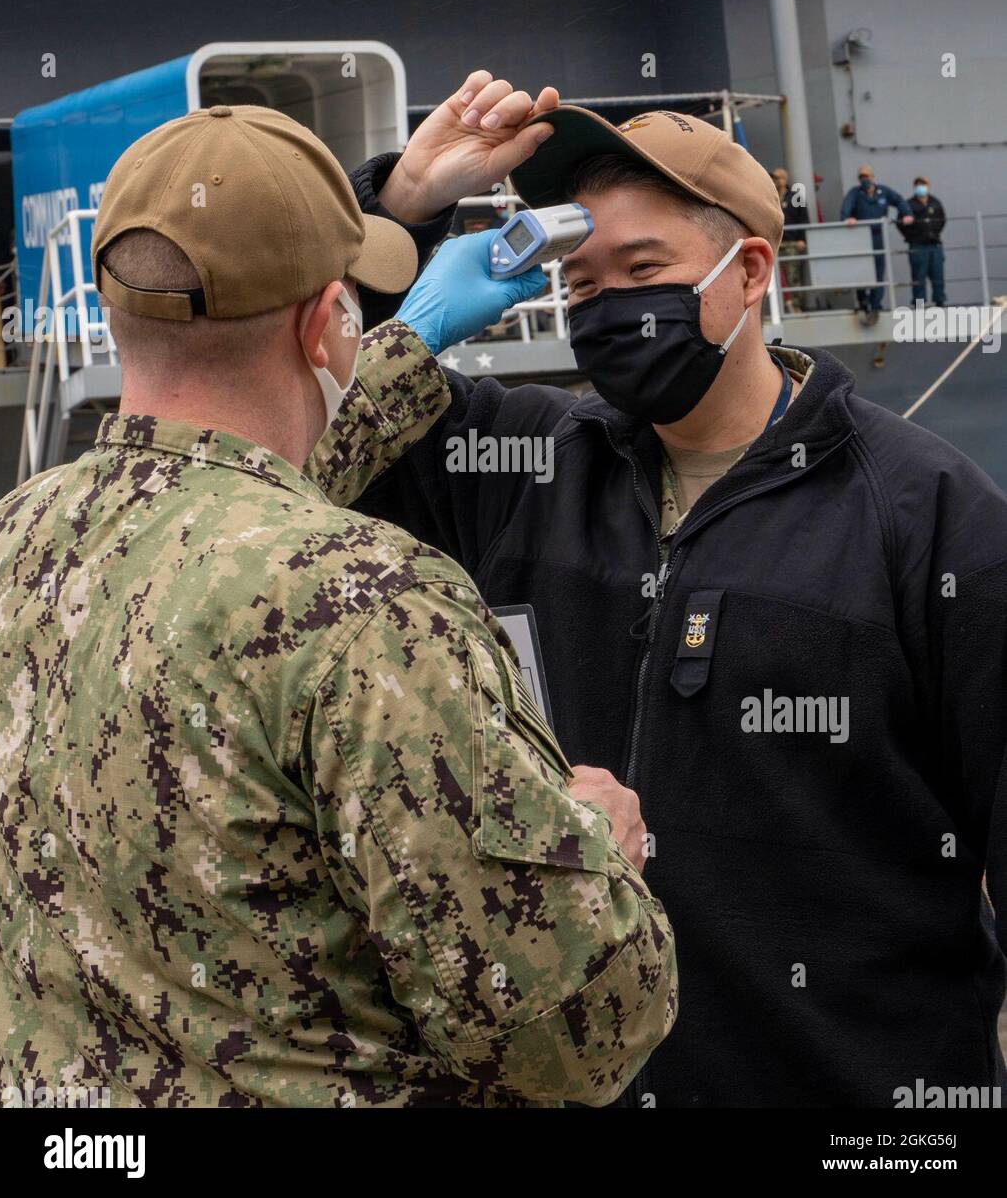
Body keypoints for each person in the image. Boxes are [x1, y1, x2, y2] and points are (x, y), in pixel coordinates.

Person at [328, 81, 1007, 1108]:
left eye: (643, 270)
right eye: (581, 284)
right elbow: (337, 416)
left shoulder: (925, 516)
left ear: (749, 273)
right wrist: (405, 208)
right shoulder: (524, 467)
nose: (605, 309)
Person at [0, 103, 678, 1108]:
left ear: (112, 305)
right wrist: (593, 862)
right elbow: (570, 1035)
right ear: (325, 320)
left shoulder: (19, 536)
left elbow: (220, 504)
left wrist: (403, 346)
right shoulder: (373, 603)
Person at [840, 163, 914, 323]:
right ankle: (863, 301)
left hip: (878, 237)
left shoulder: (883, 192)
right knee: (861, 271)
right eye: (861, 177)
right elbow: (846, 208)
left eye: (866, 176)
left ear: (872, 177)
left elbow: (899, 200)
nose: (864, 180)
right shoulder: (855, 193)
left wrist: (906, 213)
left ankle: (875, 305)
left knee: (879, 272)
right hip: (861, 238)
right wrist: (847, 218)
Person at [902, 176, 948, 306]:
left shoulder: (935, 202)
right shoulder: (909, 204)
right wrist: (914, 236)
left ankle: (940, 303)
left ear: (928, 186)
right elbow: (901, 223)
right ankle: (919, 305)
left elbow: (942, 220)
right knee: (918, 276)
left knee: (938, 275)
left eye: (923, 184)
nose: (921, 187)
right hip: (917, 246)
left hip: (934, 244)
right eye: (918, 185)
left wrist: (933, 233)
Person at [770, 166, 809, 312]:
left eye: (777, 178)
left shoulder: (795, 197)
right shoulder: (770, 196)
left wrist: (802, 239)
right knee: (777, 277)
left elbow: (803, 218)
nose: (774, 180)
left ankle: (797, 306)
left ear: (785, 180)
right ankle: (781, 308)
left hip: (792, 242)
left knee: (793, 276)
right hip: (775, 243)